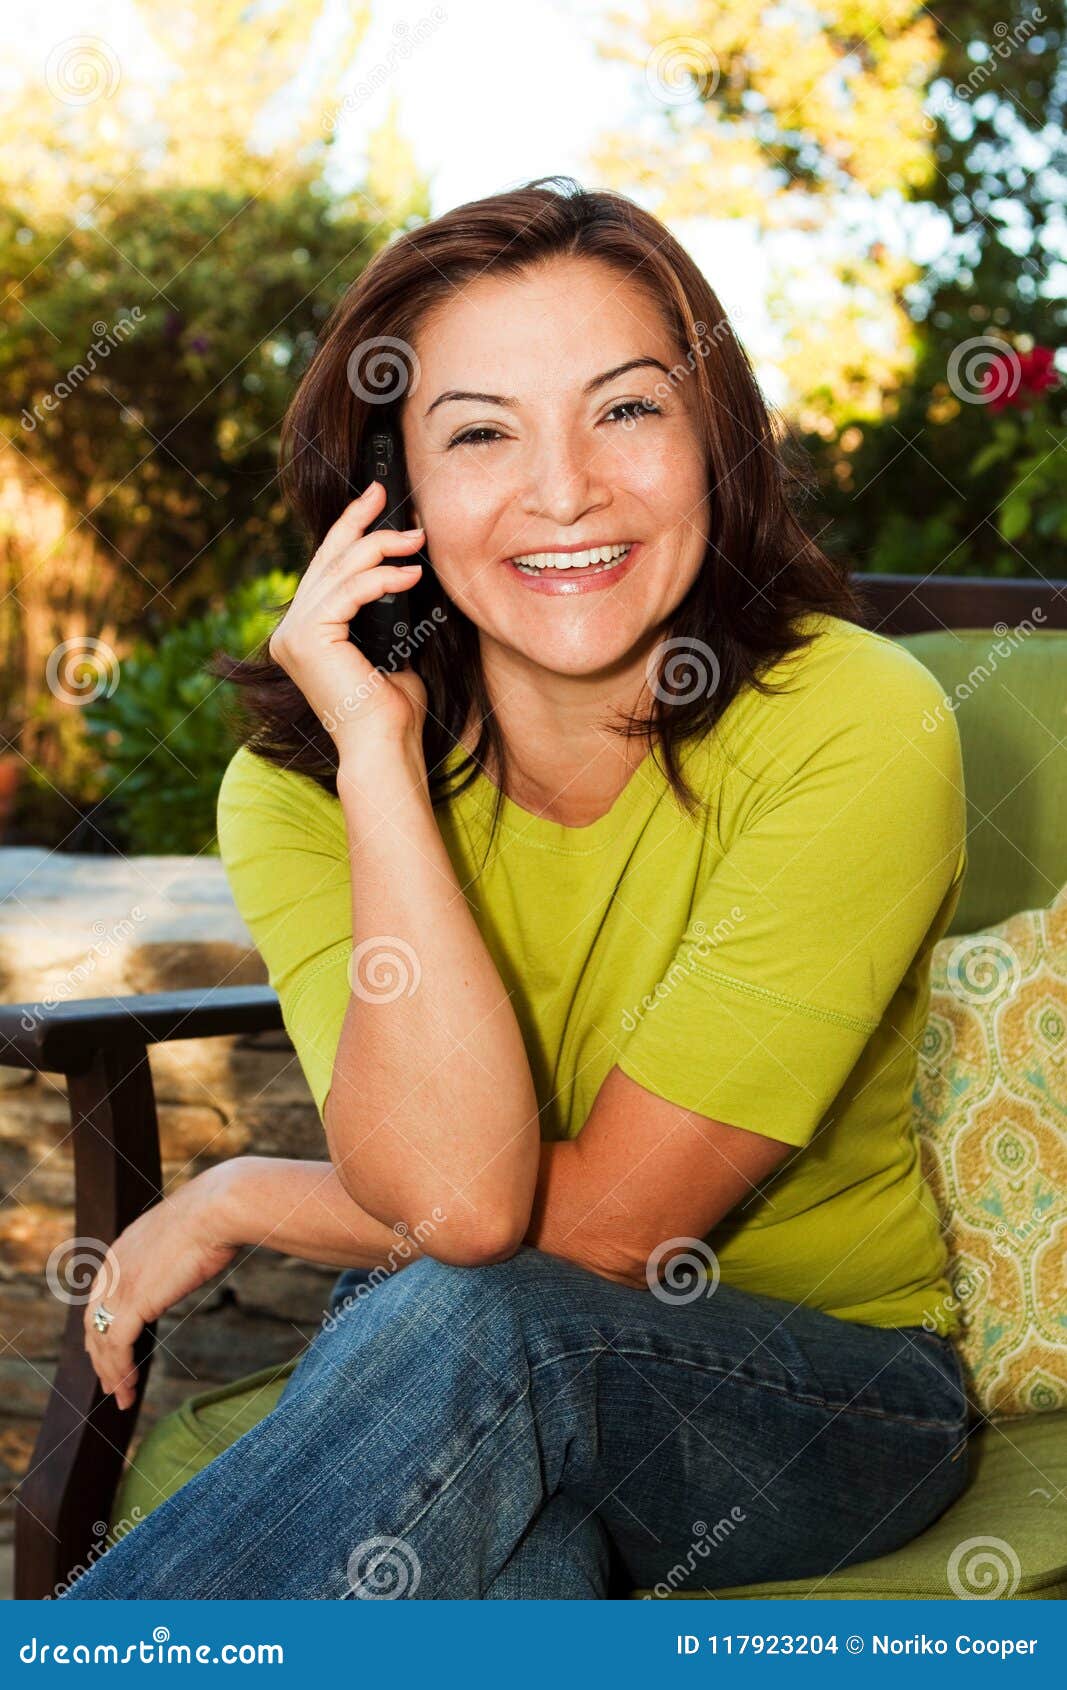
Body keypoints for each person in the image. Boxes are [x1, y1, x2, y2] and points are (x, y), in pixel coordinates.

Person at [61, 177, 970, 1601]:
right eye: (481, 431)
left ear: (714, 443)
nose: (565, 492)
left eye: (626, 410)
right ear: (392, 494)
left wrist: (248, 1193)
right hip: (468, 1362)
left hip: (828, 1396)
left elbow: (592, 1240)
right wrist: (378, 758)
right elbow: (453, 1201)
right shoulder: (305, 788)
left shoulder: (857, 725)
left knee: (483, 1325)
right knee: (517, 1559)